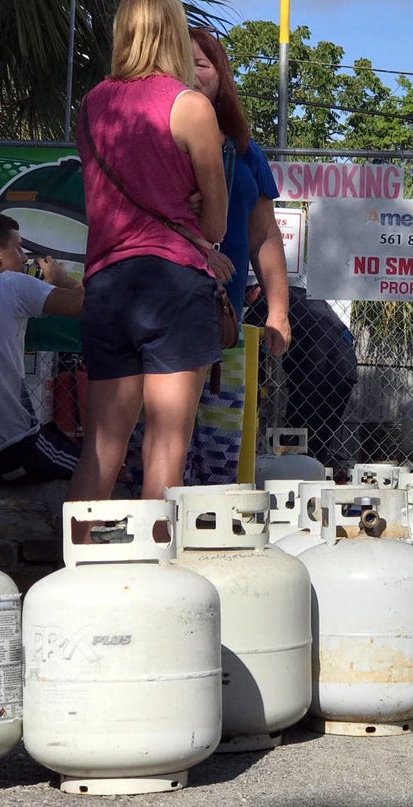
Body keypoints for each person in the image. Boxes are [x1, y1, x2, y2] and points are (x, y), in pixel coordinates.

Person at [68, 0, 229, 501]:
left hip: (107, 283)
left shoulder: (93, 104)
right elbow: (216, 227)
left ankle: (76, 568)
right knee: (164, 447)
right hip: (173, 284)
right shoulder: (190, 107)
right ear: (174, 33)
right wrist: (194, 205)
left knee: (101, 445)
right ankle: (155, 572)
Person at [182, 27, 290, 485]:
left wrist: (279, 311)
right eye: (179, 62)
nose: (191, 74)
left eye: (201, 65)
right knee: (158, 453)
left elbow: (264, 233)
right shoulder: (154, 140)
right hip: (165, 319)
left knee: (221, 464)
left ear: (221, 76)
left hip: (223, 326)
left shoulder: (247, 154)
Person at [0, 213, 83, 485]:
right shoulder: (10, 284)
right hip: (8, 449)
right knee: (94, 467)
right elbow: (83, 304)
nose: (24, 258)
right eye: (18, 248)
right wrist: (61, 278)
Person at [244, 284, 357, 473]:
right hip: (345, 366)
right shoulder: (304, 295)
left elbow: (252, 351)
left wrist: (253, 393)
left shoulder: (268, 301)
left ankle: (294, 482)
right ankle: (312, 480)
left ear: (255, 290)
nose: (247, 303)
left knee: (298, 440)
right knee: (318, 440)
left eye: (247, 298)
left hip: (315, 370)